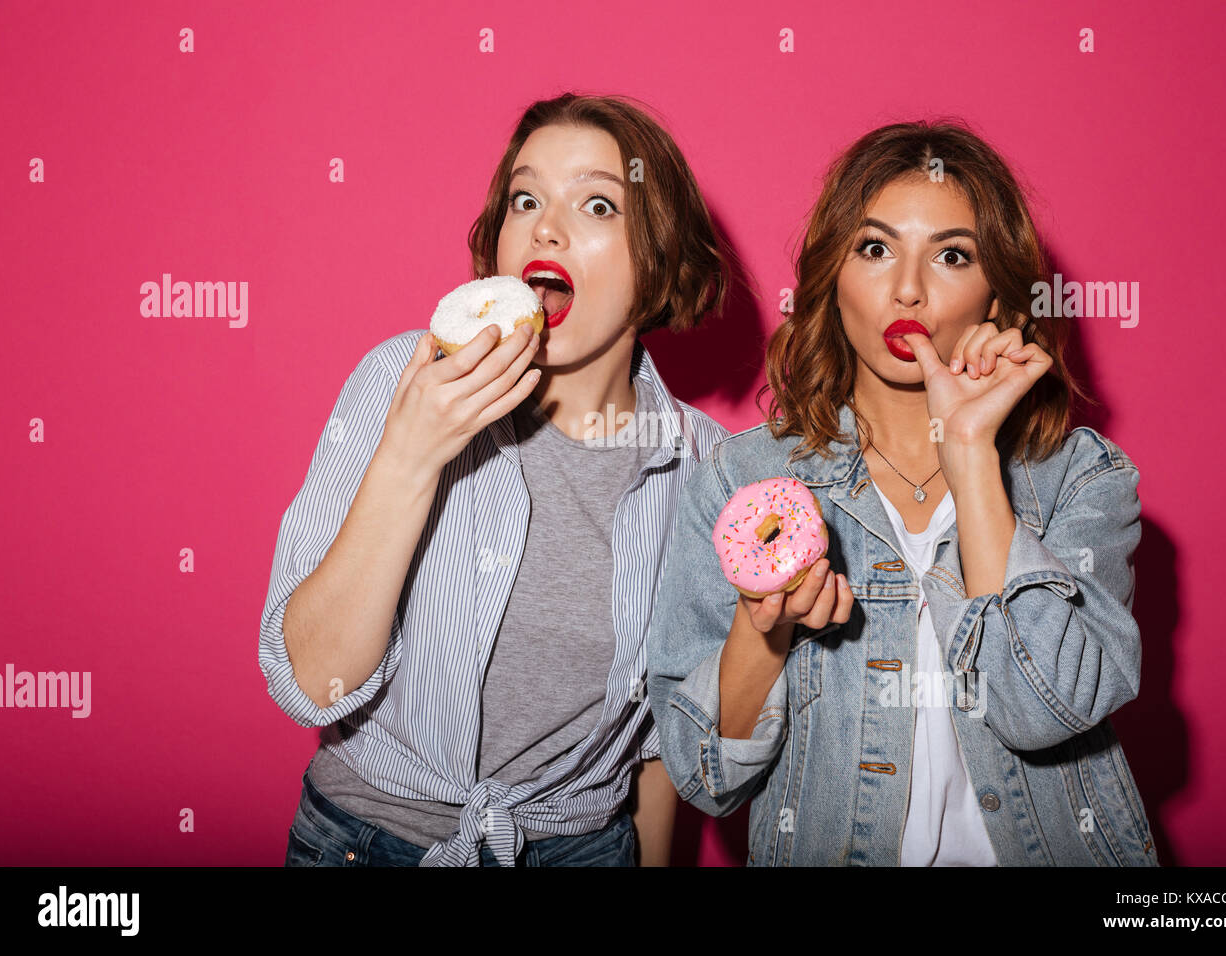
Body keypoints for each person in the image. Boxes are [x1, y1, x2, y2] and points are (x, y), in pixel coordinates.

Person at [646, 120, 1159, 866]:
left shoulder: (1082, 478)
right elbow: (703, 775)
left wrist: (972, 454)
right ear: (833, 275)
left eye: (951, 255)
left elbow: (1045, 711)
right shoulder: (743, 481)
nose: (908, 288)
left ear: (999, 298)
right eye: (875, 248)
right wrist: (767, 632)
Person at [259, 92, 737, 866]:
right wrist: (410, 457)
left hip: (584, 848)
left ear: (660, 261)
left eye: (596, 204)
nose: (546, 227)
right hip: (368, 841)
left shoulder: (706, 466)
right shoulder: (402, 381)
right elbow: (312, 683)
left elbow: (657, 748)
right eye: (526, 198)